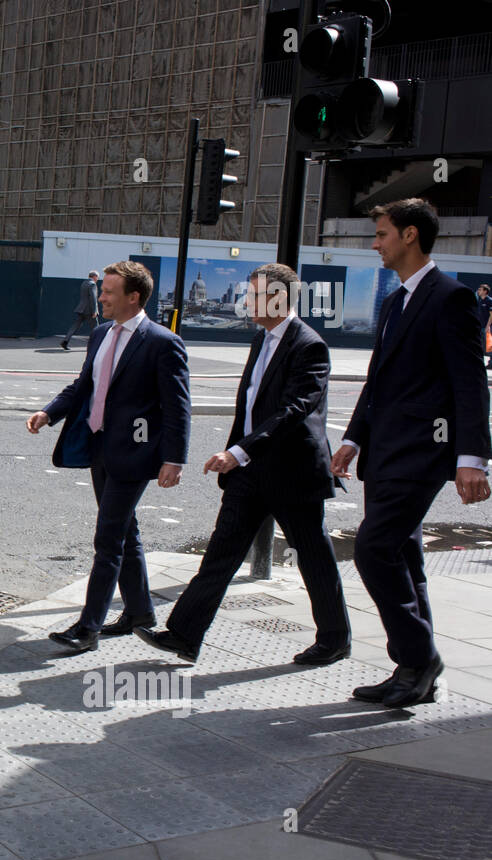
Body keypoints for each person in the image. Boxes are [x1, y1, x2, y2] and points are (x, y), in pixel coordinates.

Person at [138, 263, 351, 665]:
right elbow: (252, 406)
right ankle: (184, 634)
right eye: (247, 294)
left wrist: (238, 451)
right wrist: (240, 452)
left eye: (255, 295)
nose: (246, 302)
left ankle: (335, 639)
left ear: (281, 298)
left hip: (292, 473)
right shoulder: (261, 340)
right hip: (250, 472)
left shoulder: (309, 346)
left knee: (314, 559)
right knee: (221, 552)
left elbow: (293, 411)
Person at [331, 198, 492, 708]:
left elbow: (471, 384)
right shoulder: (394, 301)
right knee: (402, 554)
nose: (375, 243)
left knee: (374, 550)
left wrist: (472, 459)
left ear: (410, 236)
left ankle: (420, 657)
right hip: (384, 452)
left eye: (382, 234)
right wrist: (354, 438)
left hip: (423, 451)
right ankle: (414, 673)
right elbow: (378, 378)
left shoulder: (451, 298)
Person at [27, 260, 190, 655]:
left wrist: (174, 459)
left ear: (133, 297)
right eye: (102, 291)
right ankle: (139, 612)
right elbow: (85, 385)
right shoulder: (101, 335)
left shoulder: (162, 342)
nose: (101, 297)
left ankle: (89, 626)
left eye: (109, 292)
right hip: (100, 448)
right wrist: (50, 412)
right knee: (124, 532)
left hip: (135, 454)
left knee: (108, 538)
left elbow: (177, 407)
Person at [63, 270, 100, 350]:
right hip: (89, 310)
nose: (97, 279)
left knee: (75, 326)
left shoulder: (84, 283)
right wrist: (95, 311)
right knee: (96, 328)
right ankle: (97, 345)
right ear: (95, 277)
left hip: (81, 309)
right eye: (97, 277)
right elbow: (93, 298)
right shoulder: (93, 285)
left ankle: (65, 341)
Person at [477, 283, 492, 368]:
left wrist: (488, 326)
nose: (479, 291)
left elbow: (491, 314)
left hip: (487, 328)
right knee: (481, 346)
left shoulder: (489, 301)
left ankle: (491, 363)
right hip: (480, 327)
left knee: (489, 346)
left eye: (480, 289)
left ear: (485, 291)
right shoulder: (480, 301)